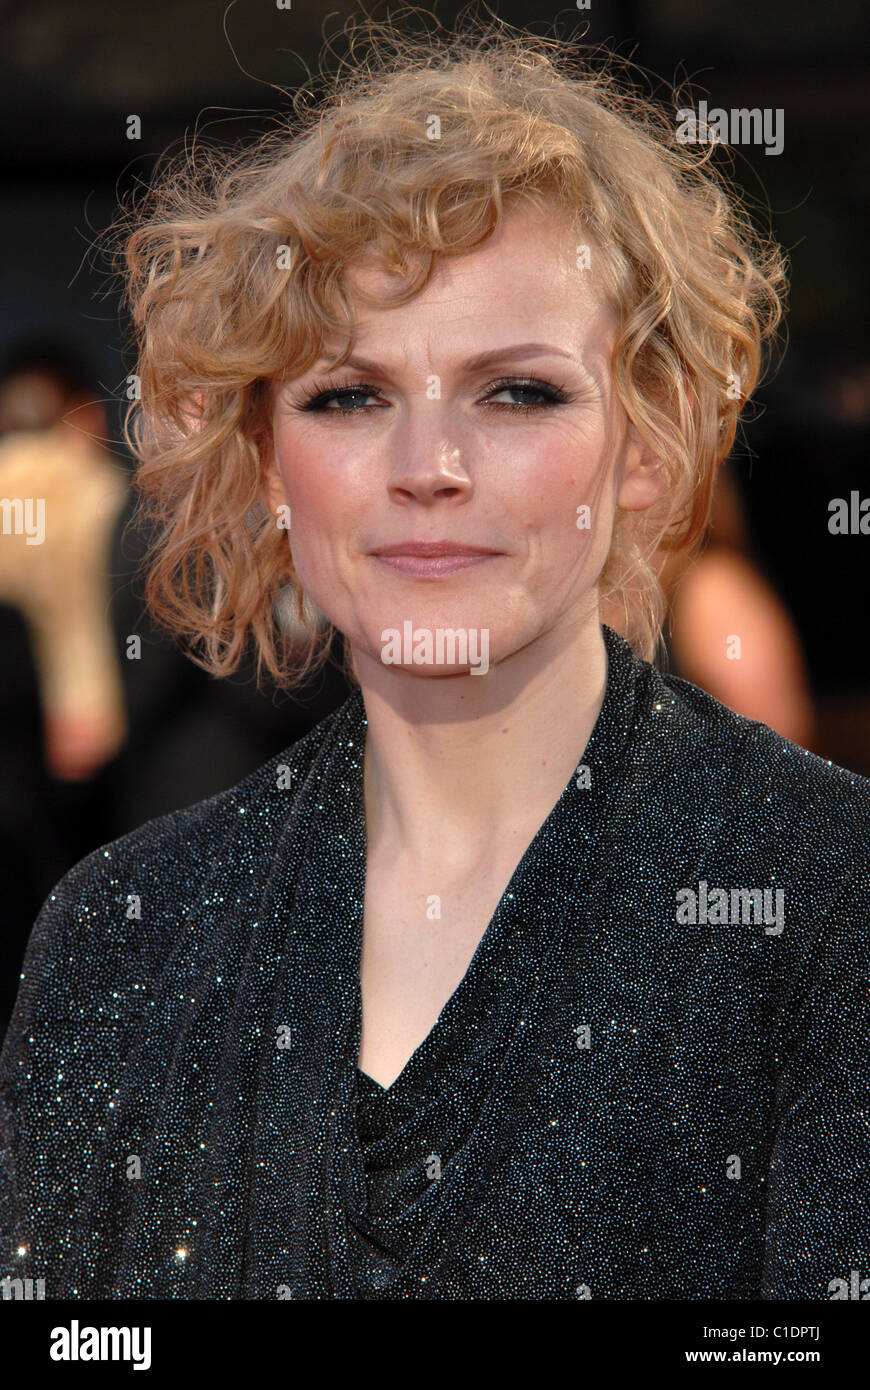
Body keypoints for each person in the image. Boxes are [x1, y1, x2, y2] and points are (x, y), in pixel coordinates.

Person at [1, 21, 868, 1301]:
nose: (429, 467)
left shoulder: (830, 903)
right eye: (348, 395)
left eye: (517, 392)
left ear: (646, 443)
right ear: (268, 461)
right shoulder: (119, 938)